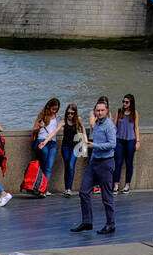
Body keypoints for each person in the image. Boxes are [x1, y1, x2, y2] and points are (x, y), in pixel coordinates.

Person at [72, 97, 116, 235]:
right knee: (83, 191)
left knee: (106, 197)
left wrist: (94, 145)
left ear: (107, 111)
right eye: (97, 110)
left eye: (102, 110)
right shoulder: (96, 124)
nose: (100, 113)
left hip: (106, 162)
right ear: (94, 112)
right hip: (94, 162)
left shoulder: (109, 126)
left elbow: (112, 144)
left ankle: (110, 224)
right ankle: (87, 221)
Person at [32, 97, 61, 194]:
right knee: (43, 163)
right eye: (53, 109)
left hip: (52, 142)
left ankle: (44, 189)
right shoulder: (42, 115)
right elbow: (34, 129)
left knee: (49, 166)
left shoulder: (56, 116)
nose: (54, 111)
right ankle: (40, 186)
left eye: (56, 110)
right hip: (42, 141)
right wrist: (39, 127)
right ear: (49, 107)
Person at [113, 93, 140, 194]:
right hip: (119, 139)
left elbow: (136, 127)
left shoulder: (135, 113)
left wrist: (137, 141)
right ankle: (116, 184)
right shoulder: (119, 112)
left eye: (126, 102)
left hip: (130, 140)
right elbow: (113, 126)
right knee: (118, 162)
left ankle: (127, 184)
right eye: (123, 102)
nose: (124, 104)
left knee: (129, 163)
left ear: (131, 103)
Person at [60, 104, 87, 196]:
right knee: (67, 166)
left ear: (75, 113)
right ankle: (66, 187)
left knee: (71, 166)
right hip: (65, 146)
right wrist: (46, 140)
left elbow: (83, 127)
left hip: (75, 147)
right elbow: (55, 131)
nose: (70, 115)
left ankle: (69, 188)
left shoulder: (78, 120)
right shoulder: (64, 121)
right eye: (68, 113)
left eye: (72, 113)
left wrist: (85, 139)